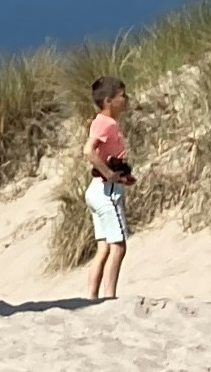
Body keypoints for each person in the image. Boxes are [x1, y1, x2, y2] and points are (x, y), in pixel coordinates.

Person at [84, 76, 134, 300]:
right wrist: (109, 174)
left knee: (103, 247)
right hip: (106, 192)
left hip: (98, 189)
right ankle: (109, 297)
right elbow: (88, 151)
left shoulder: (102, 122)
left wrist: (121, 176)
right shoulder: (106, 123)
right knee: (118, 246)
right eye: (121, 96)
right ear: (108, 101)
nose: (126, 99)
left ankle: (91, 297)